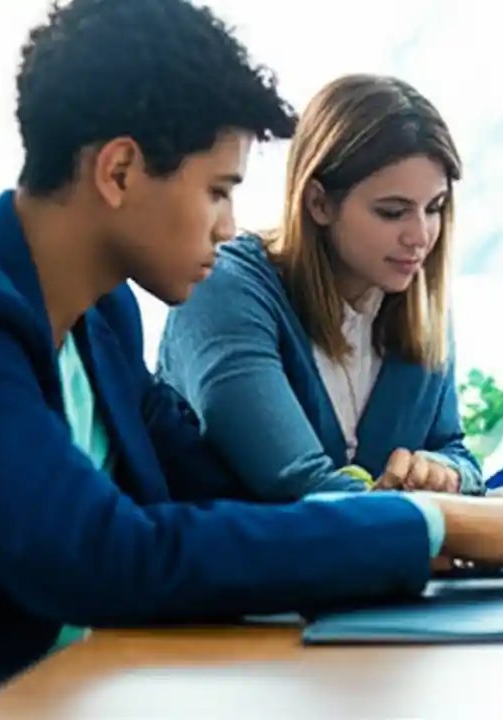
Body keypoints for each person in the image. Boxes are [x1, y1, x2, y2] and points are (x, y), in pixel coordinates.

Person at [0, 1, 503, 715]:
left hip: (92, 687)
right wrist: (436, 523)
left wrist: (438, 529)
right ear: (120, 171)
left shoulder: (100, 315)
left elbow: (223, 493)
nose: (231, 226)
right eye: (217, 191)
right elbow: (106, 557)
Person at [158, 74, 481, 501]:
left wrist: (444, 474)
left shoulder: (419, 304)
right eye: (392, 212)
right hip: (240, 567)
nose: (420, 236)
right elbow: (297, 485)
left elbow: (456, 453)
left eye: (435, 208)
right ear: (319, 203)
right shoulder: (223, 289)